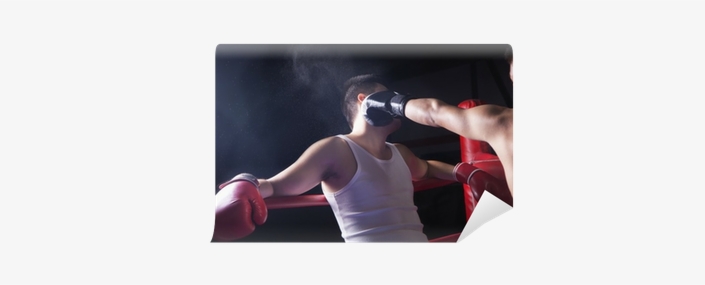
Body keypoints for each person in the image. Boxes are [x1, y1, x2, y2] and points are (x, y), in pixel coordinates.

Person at [213, 74, 507, 242]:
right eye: (387, 97)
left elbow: (427, 167)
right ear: (365, 101)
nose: (396, 104)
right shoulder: (335, 149)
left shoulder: (399, 153)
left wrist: (465, 172)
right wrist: (245, 183)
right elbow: (277, 186)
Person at [361, 56, 514, 196]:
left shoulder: (500, 122)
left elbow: (433, 112)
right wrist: (466, 172)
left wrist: (388, 102)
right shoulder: (342, 147)